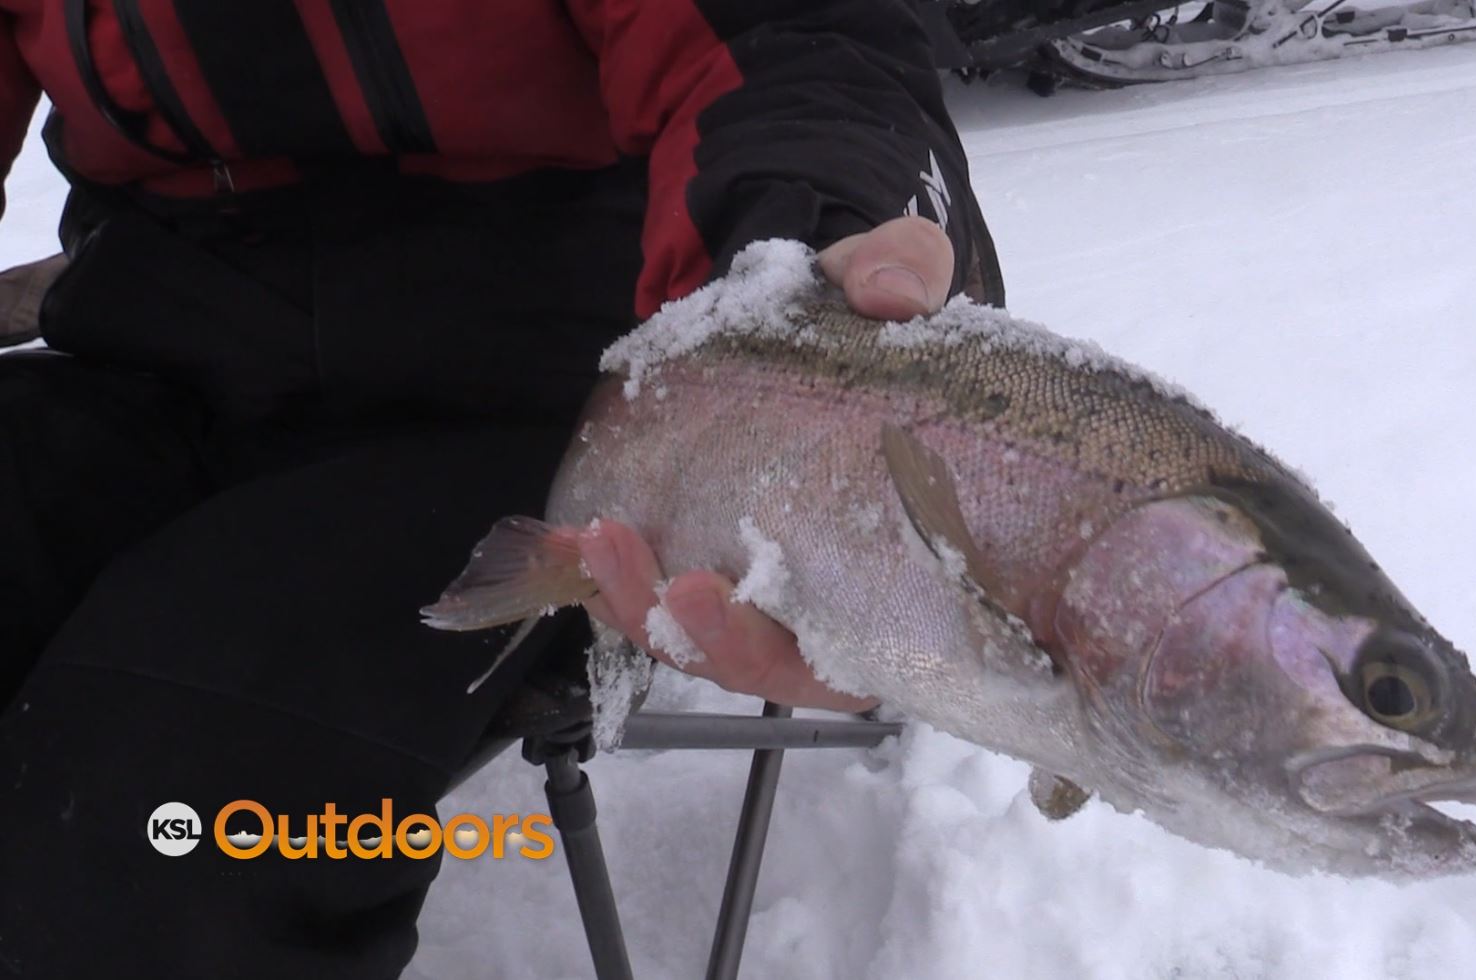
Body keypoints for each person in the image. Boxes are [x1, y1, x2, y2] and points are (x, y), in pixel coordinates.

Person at [0, 1, 1002, 976]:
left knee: (147, 829)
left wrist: (799, 278)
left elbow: (790, 40)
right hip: (148, 352)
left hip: (533, 392)